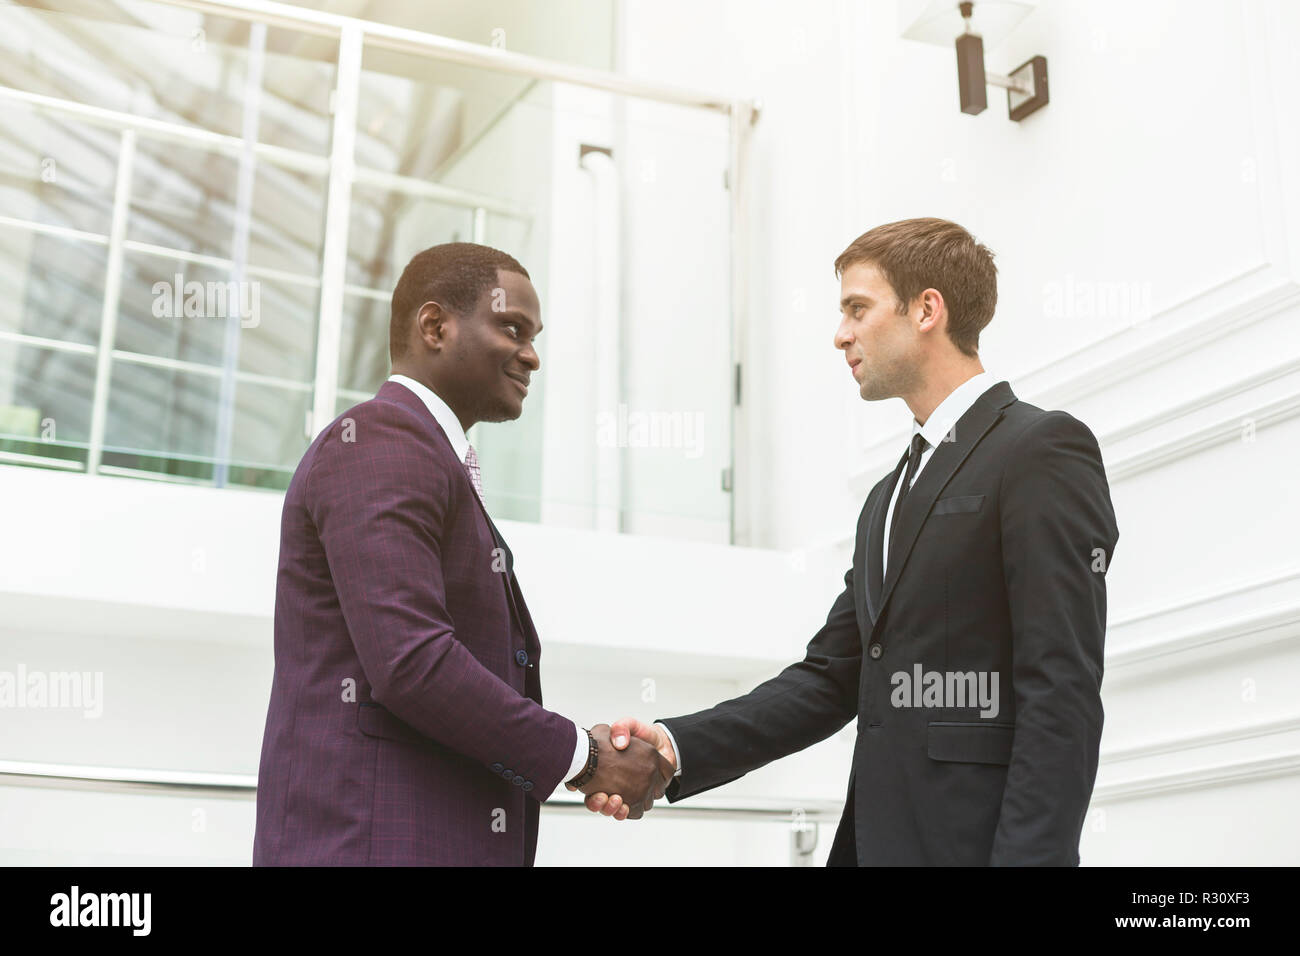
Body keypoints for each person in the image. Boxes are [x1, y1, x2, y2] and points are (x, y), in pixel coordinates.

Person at [584, 218, 1121, 866]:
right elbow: (830, 681)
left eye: (857, 309)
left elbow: (1060, 689)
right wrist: (673, 747)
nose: (841, 335)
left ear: (927, 309)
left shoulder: (1040, 449)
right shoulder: (886, 498)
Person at [253, 242, 672, 866]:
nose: (531, 354)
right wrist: (585, 758)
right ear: (435, 326)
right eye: (512, 328)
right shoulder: (380, 439)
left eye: (533, 335)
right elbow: (413, 663)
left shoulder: (426, 456)